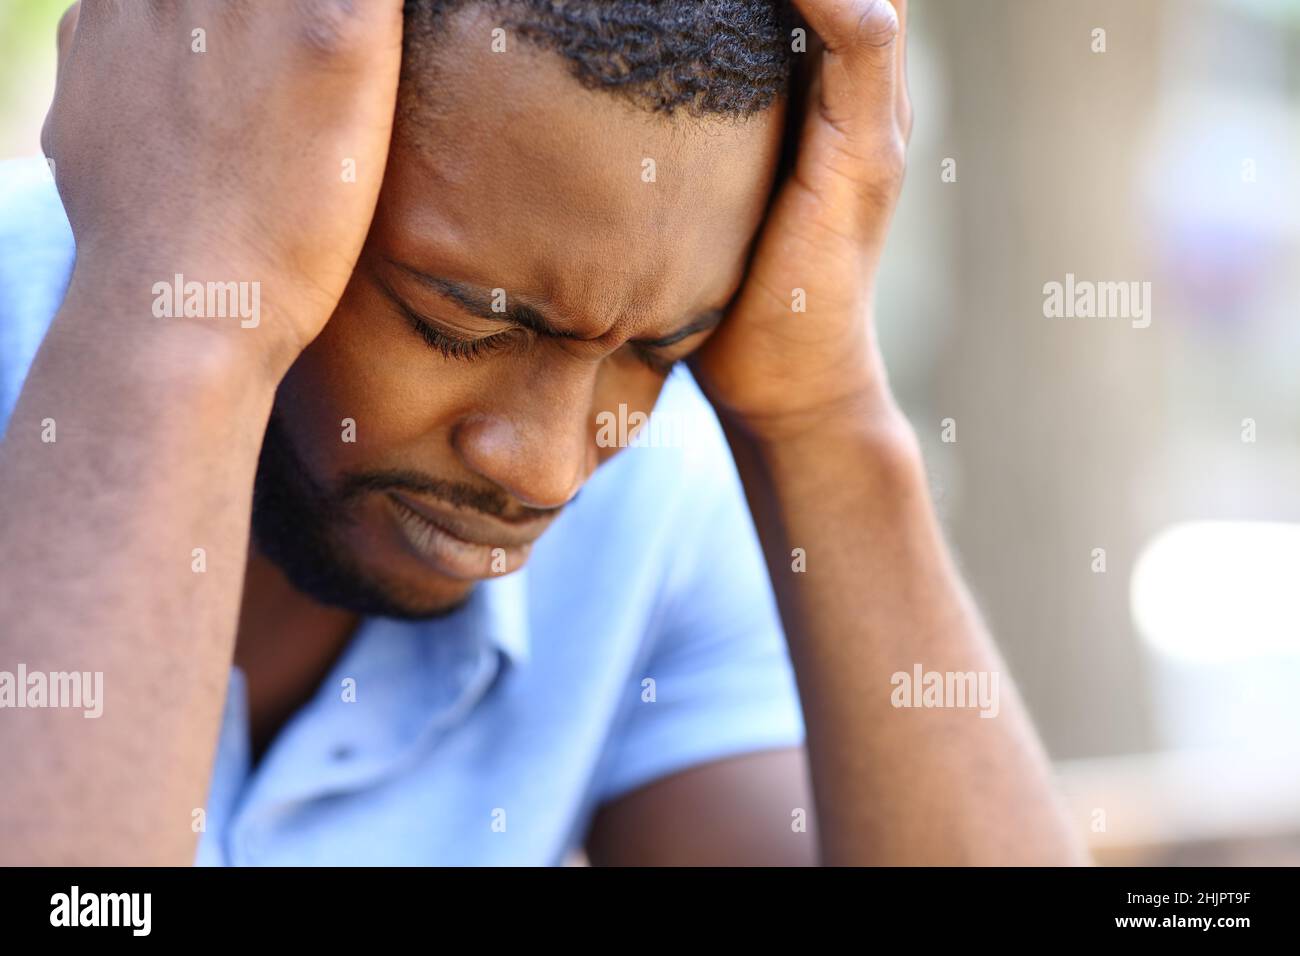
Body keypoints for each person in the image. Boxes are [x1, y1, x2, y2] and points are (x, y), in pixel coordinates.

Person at [0, 0, 1085, 865]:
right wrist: (174, 317)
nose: (549, 465)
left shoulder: (659, 506)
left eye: (660, 349)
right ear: (236, 135)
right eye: (460, 320)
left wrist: (824, 417)